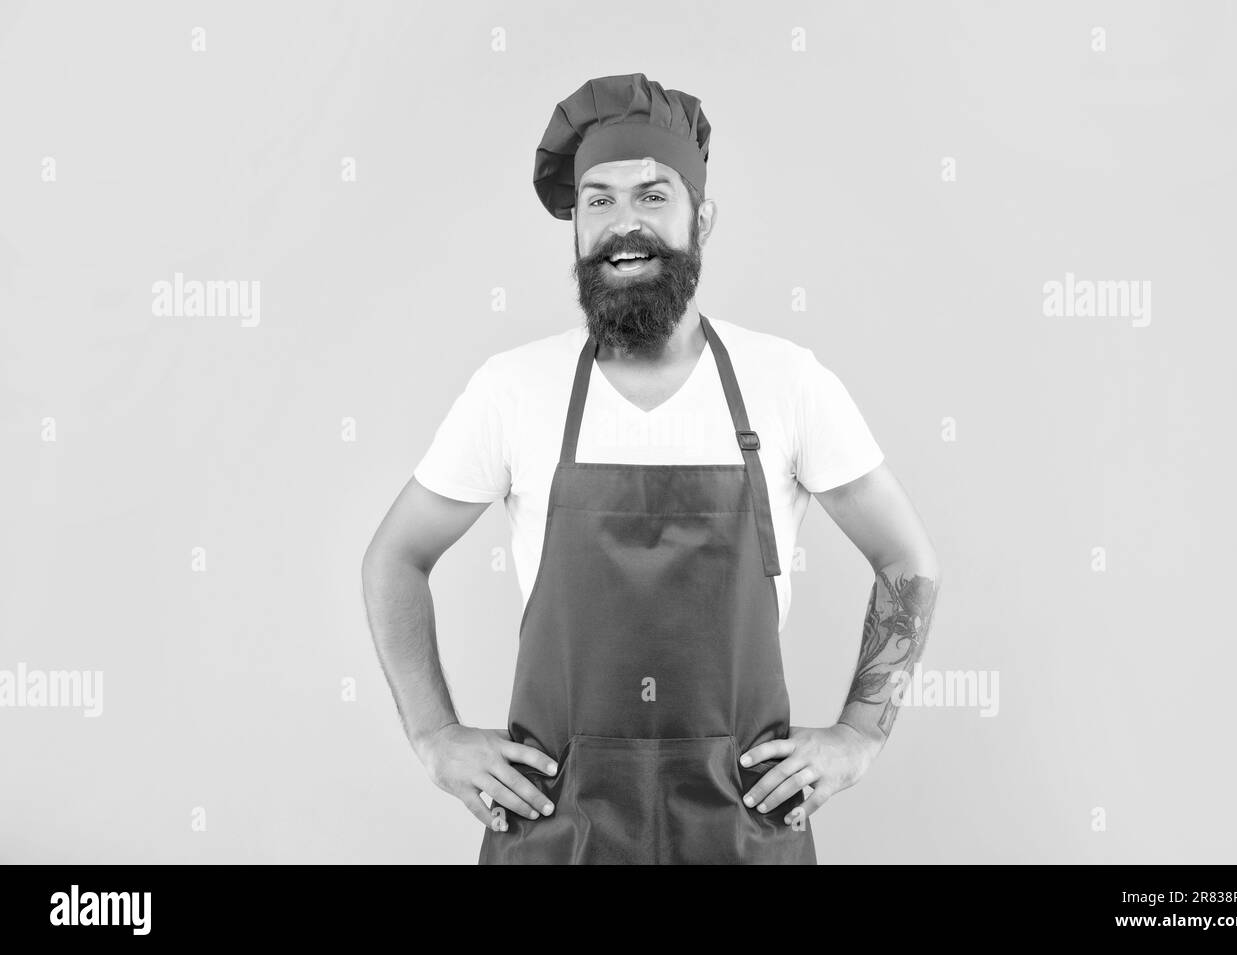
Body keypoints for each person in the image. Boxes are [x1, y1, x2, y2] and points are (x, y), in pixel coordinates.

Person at [362, 73, 942, 865]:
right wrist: (434, 734)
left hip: (744, 825)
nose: (622, 223)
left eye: (652, 195)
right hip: (556, 824)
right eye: (597, 200)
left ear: (701, 215)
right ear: (575, 226)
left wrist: (859, 734)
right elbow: (395, 556)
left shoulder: (787, 382)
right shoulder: (514, 389)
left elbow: (908, 561)